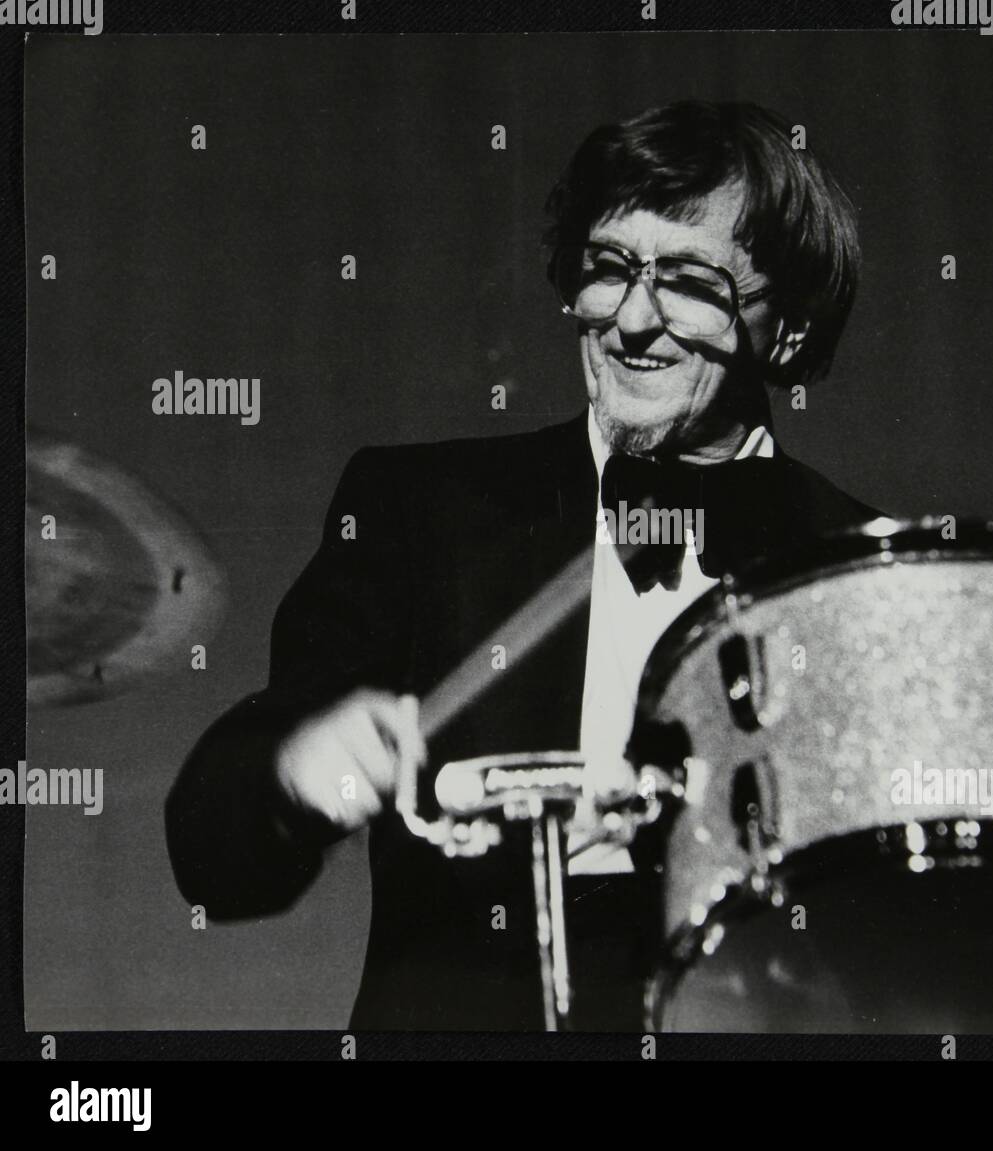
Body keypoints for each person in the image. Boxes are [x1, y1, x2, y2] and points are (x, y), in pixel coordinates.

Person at [165, 99, 880, 1030]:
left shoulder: (865, 572)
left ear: (786, 331)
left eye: (691, 283)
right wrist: (299, 773)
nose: (633, 320)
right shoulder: (421, 510)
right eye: (611, 271)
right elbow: (217, 851)